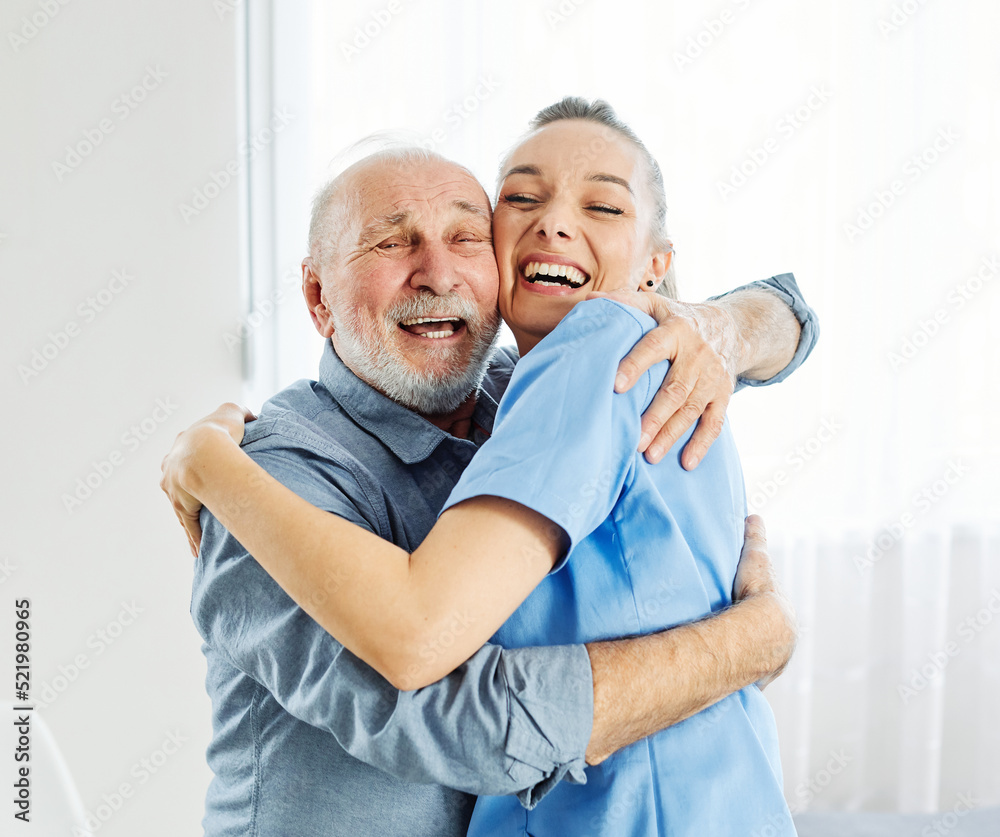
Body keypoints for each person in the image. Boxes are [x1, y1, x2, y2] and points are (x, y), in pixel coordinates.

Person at [161, 102, 815, 836]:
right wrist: (750, 641)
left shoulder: (529, 389)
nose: (436, 272)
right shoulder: (271, 485)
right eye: (390, 243)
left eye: (466, 237)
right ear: (317, 297)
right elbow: (474, 725)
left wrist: (720, 325)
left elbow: (785, 315)